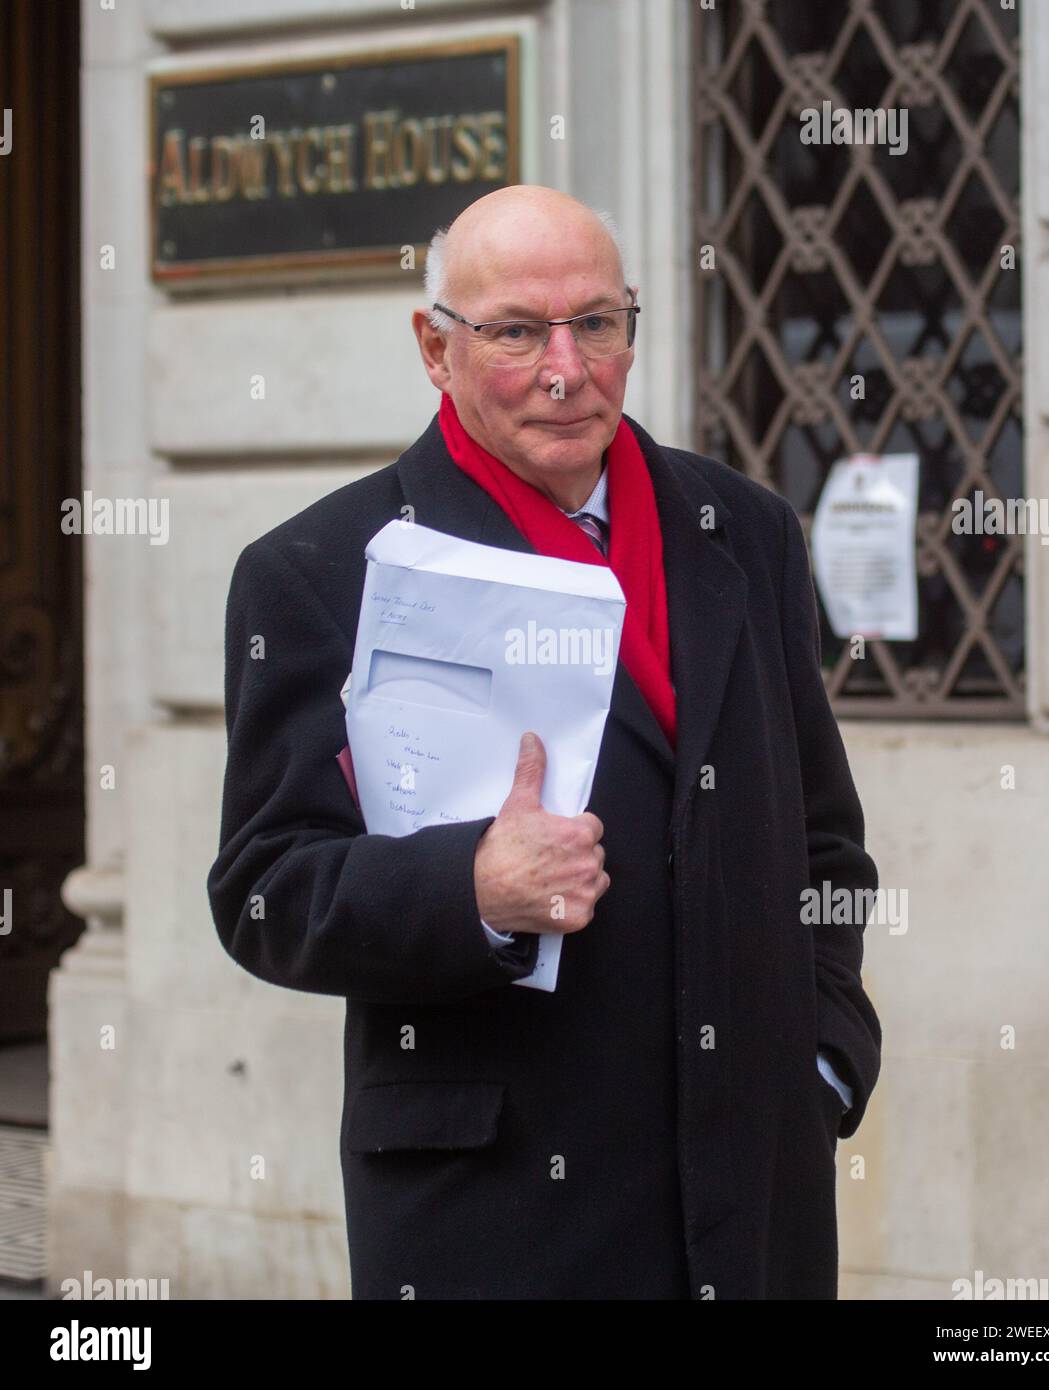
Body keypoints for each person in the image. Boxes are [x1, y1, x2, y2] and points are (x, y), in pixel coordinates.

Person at [207, 184, 882, 1300]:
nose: (565, 368)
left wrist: (820, 1058)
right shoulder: (316, 569)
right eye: (516, 331)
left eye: (597, 323)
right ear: (435, 347)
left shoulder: (744, 528)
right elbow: (264, 892)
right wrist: (466, 884)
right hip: (496, 1215)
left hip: (753, 1201)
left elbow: (823, 846)